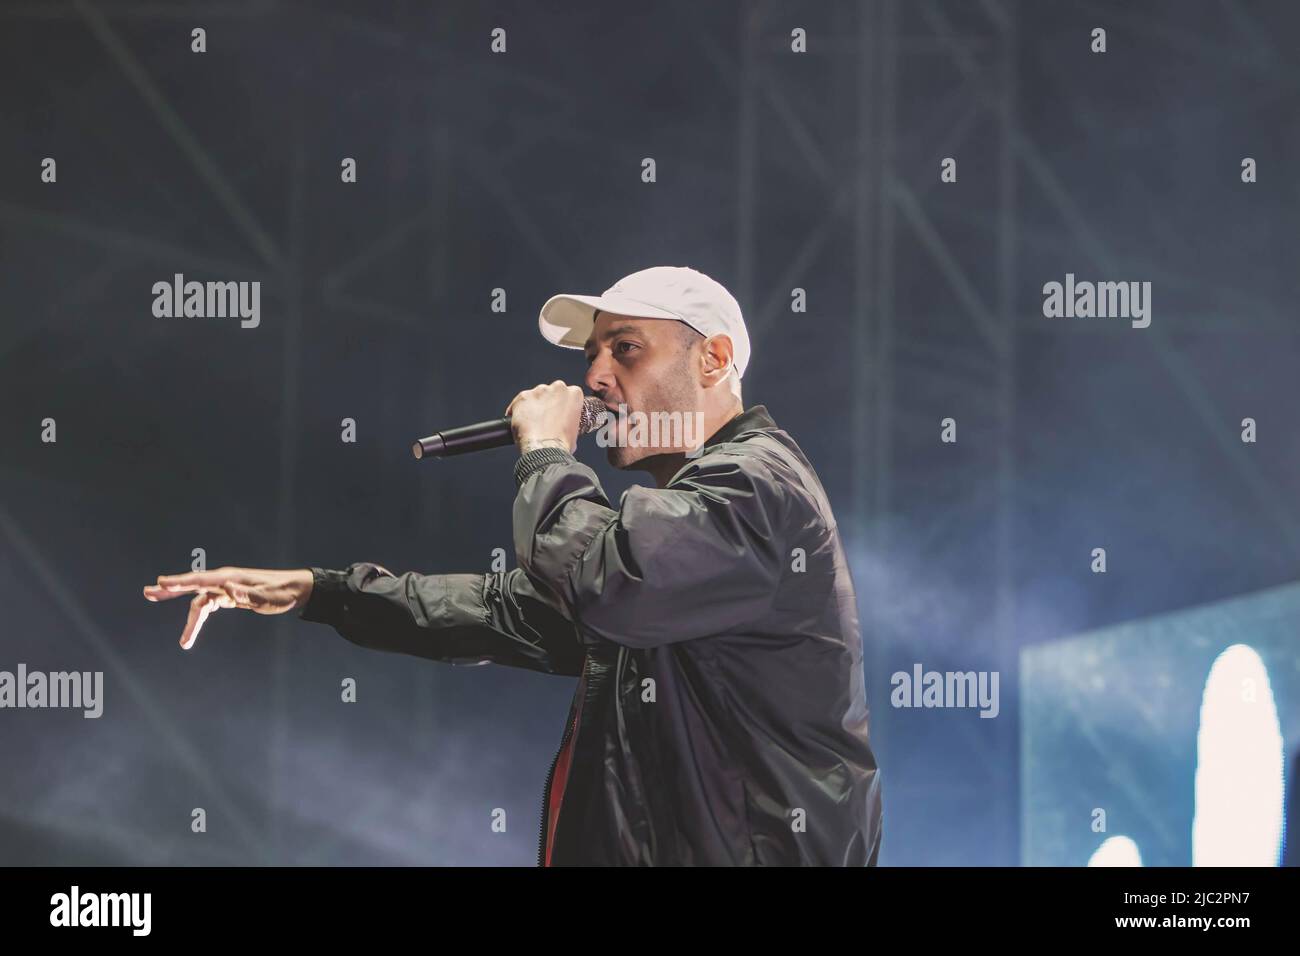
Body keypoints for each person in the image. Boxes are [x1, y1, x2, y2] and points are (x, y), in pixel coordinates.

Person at [144, 265, 883, 866]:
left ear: (714, 358)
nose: (594, 378)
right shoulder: (695, 521)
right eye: (591, 355)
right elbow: (515, 610)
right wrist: (325, 591)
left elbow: (605, 584)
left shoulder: (756, 487)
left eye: (625, 349)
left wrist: (546, 456)